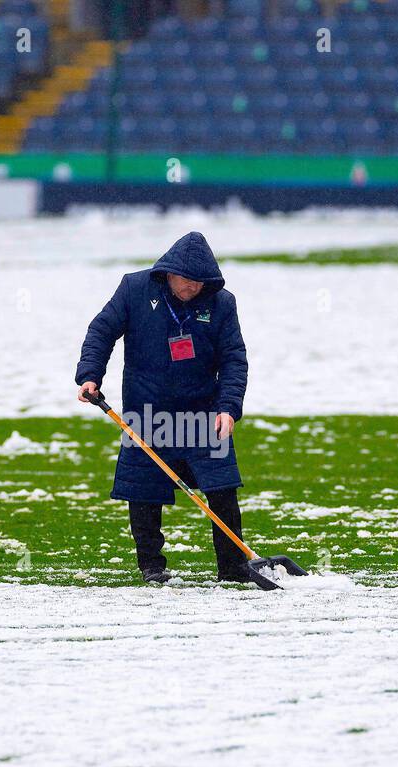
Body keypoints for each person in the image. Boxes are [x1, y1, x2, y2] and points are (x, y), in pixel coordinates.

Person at [75, 231, 250, 584]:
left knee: (222, 489)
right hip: (147, 413)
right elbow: (101, 331)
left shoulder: (222, 303)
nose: (191, 288)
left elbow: (234, 359)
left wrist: (228, 408)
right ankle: (152, 567)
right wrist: (90, 375)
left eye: (198, 282)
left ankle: (233, 568)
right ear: (168, 273)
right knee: (143, 491)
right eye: (185, 280)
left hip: (203, 414)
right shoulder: (135, 289)